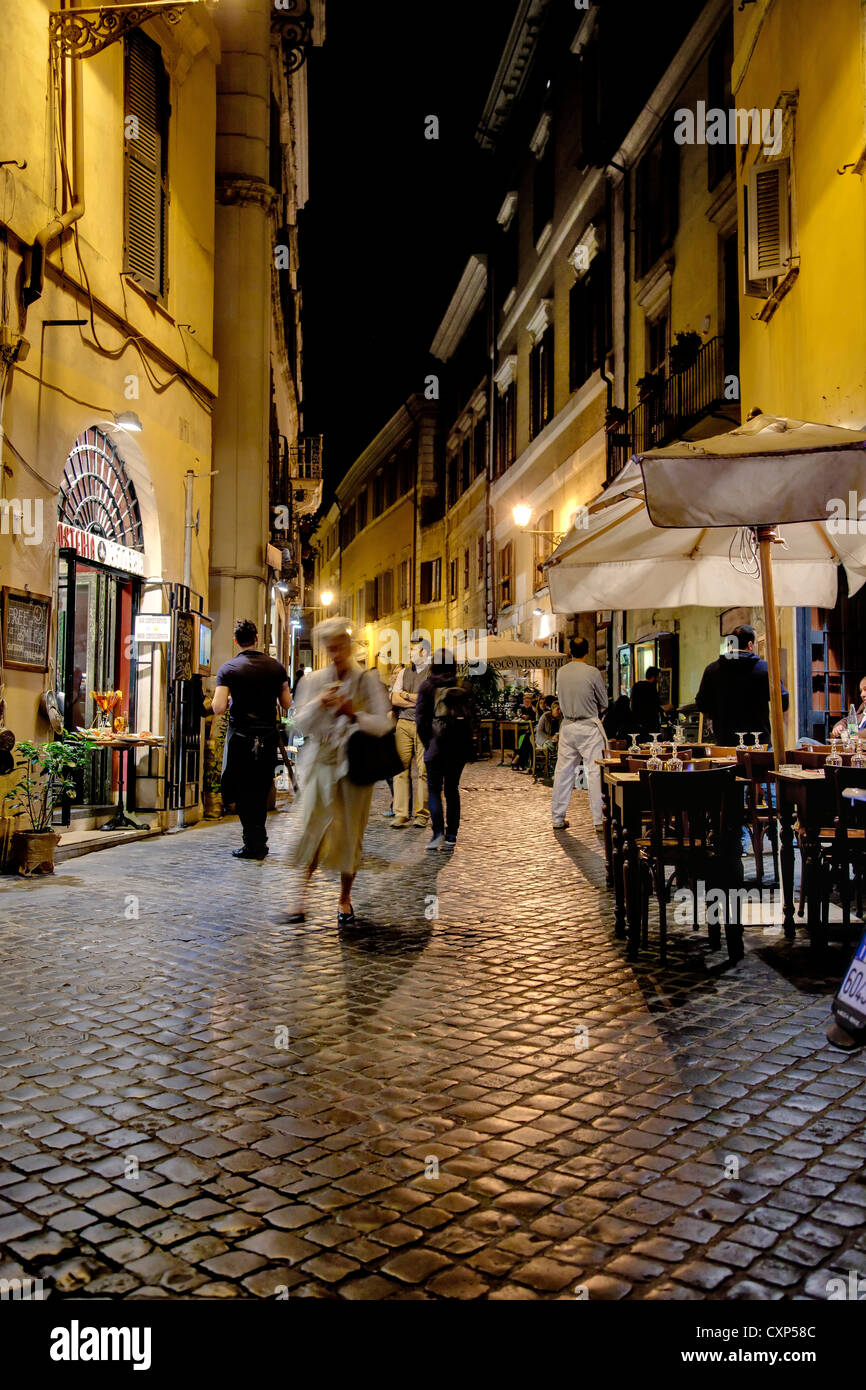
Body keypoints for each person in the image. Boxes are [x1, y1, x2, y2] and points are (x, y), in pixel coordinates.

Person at [279, 617, 393, 926]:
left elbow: (384, 723)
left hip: (354, 768)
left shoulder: (366, 680)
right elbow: (299, 723)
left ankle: (344, 899)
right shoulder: (314, 681)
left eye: (341, 646)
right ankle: (299, 899)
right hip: (320, 764)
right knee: (311, 829)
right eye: (331, 648)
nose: (336, 652)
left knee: (350, 833)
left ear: (349, 644)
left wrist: (352, 713)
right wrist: (320, 703)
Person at [212, 619, 292, 860]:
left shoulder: (228, 669)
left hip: (240, 737)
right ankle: (259, 841)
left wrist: (229, 701)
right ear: (257, 639)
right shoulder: (276, 668)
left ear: (236, 641)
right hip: (267, 736)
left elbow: (217, 707)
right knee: (260, 788)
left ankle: (253, 843)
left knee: (243, 790)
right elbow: (287, 704)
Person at [417, 649, 475, 850]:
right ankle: (452, 836)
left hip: (436, 745)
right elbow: (472, 718)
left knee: (434, 790)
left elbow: (421, 720)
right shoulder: (464, 686)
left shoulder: (427, 687)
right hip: (459, 747)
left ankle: (438, 833)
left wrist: (428, 744)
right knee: (452, 790)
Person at [696, 624, 788, 746]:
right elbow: (783, 702)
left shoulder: (712, 670)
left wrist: (717, 716)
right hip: (759, 745)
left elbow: (701, 704)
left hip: (725, 742)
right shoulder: (765, 669)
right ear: (750, 645)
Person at [551, 637, 608, 832]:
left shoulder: (561, 672)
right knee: (594, 772)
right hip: (588, 726)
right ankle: (599, 819)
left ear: (570, 651)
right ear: (587, 650)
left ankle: (557, 817)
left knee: (563, 772)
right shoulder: (592, 672)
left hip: (567, 726)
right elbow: (604, 701)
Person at [391, 636, 431, 828]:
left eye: (413, 650)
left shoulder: (432, 674)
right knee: (399, 769)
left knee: (424, 771)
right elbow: (394, 699)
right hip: (404, 724)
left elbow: (430, 700)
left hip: (425, 724)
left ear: (423, 652)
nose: (409, 653)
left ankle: (422, 814)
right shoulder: (403, 673)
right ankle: (401, 814)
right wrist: (415, 698)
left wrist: (405, 695)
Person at [630, 666, 664, 740]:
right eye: (658, 677)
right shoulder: (651, 688)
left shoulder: (636, 686)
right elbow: (655, 707)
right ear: (653, 677)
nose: (659, 679)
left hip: (637, 725)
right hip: (651, 726)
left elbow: (632, 705)